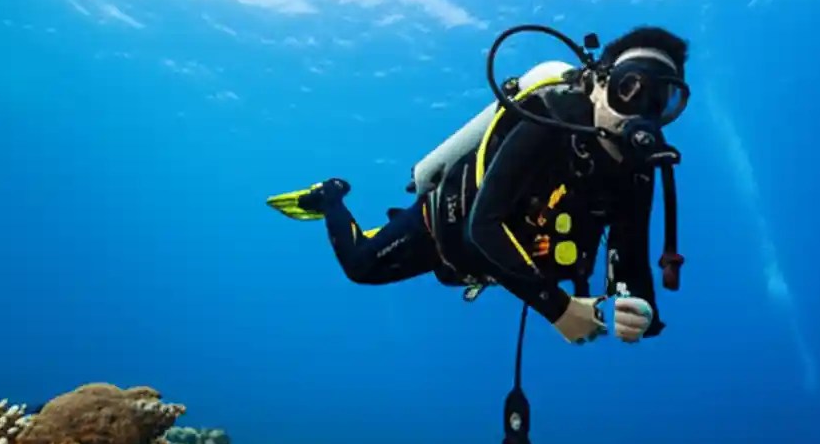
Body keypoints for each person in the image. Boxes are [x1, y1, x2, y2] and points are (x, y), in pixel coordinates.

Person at [267, 25, 691, 346]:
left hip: (492, 263)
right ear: (600, 83)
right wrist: (560, 310)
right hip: (447, 225)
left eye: (663, 102)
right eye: (629, 89)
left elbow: (631, 261)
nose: (641, 116)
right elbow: (481, 225)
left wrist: (636, 311)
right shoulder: (552, 116)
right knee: (360, 266)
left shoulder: (639, 169)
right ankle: (331, 197)